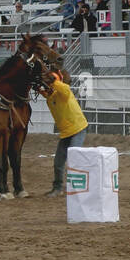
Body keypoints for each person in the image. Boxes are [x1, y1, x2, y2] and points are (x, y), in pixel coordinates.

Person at [41, 70, 89, 198]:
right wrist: (44, 88)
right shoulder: (53, 96)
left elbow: (65, 89)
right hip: (67, 132)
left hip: (77, 129)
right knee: (58, 162)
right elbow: (50, 95)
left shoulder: (64, 92)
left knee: (73, 159)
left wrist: (53, 82)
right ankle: (58, 188)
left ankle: (75, 188)